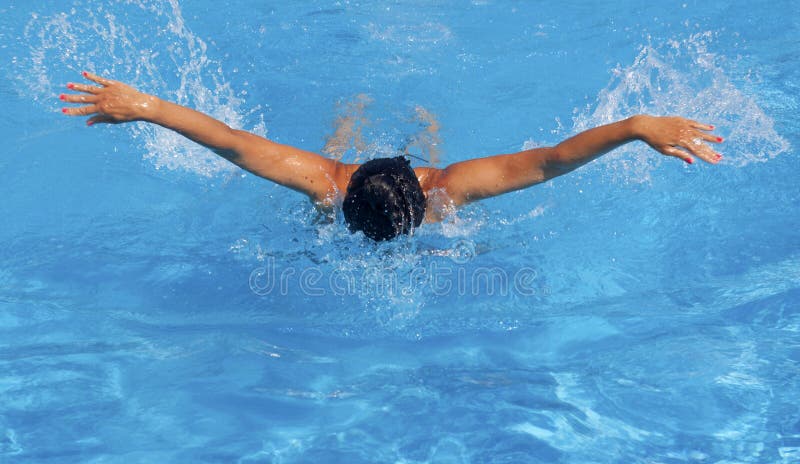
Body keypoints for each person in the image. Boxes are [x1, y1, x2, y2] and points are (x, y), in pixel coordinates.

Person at [60, 71, 724, 241]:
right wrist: (635, 125)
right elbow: (548, 162)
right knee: (339, 156)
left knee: (325, 165)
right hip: (373, 185)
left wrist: (144, 105)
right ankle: (363, 118)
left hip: (352, 186)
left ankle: (361, 116)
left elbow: (233, 144)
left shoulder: (325, 183)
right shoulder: (442, 192)